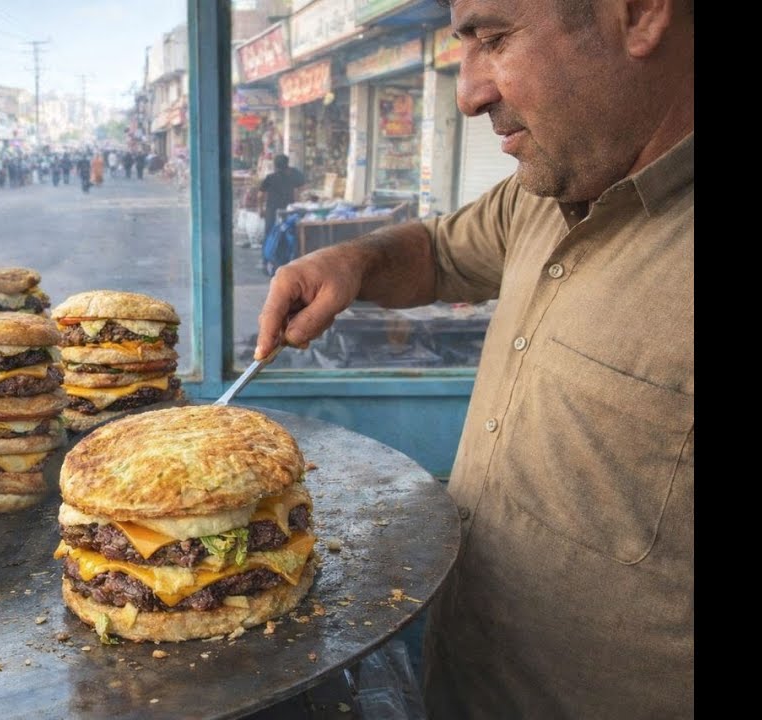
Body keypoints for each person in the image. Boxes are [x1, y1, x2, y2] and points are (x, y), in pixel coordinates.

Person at [254, 1, 694, 717]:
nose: (468, 94)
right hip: (460, 683)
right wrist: (354, 260)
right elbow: (436, 252)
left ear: (640, 14)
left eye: (495, 39)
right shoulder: (548, 193)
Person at [258, 154, 306, 243]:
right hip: (289, 209)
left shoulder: (270, 177)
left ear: (275, 165)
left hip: (272, 209)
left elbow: (260, 195)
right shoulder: (294, 174)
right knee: (289, 232)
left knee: (270, 233)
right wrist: (298, 199)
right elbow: (303, 188)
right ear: (287, 164)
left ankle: (270, 253)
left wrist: (261, 209)